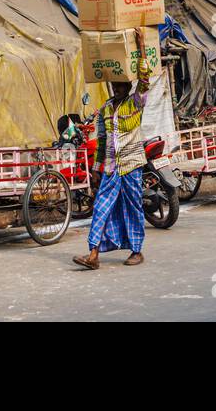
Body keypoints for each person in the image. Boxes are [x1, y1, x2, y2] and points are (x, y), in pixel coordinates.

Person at [74, 31, 150, 270]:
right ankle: (93, 253)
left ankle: (137, 250)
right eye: (114, 85)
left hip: (131, 165)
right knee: (101, 207)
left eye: (120, 85)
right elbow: (102, 141)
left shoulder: (136, 103)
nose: (116, 88)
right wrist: (96, 169)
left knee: (133, 206)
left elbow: (145, 79)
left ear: (128, 85)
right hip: (110, 168)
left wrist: (142, 44)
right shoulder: (105, 109)